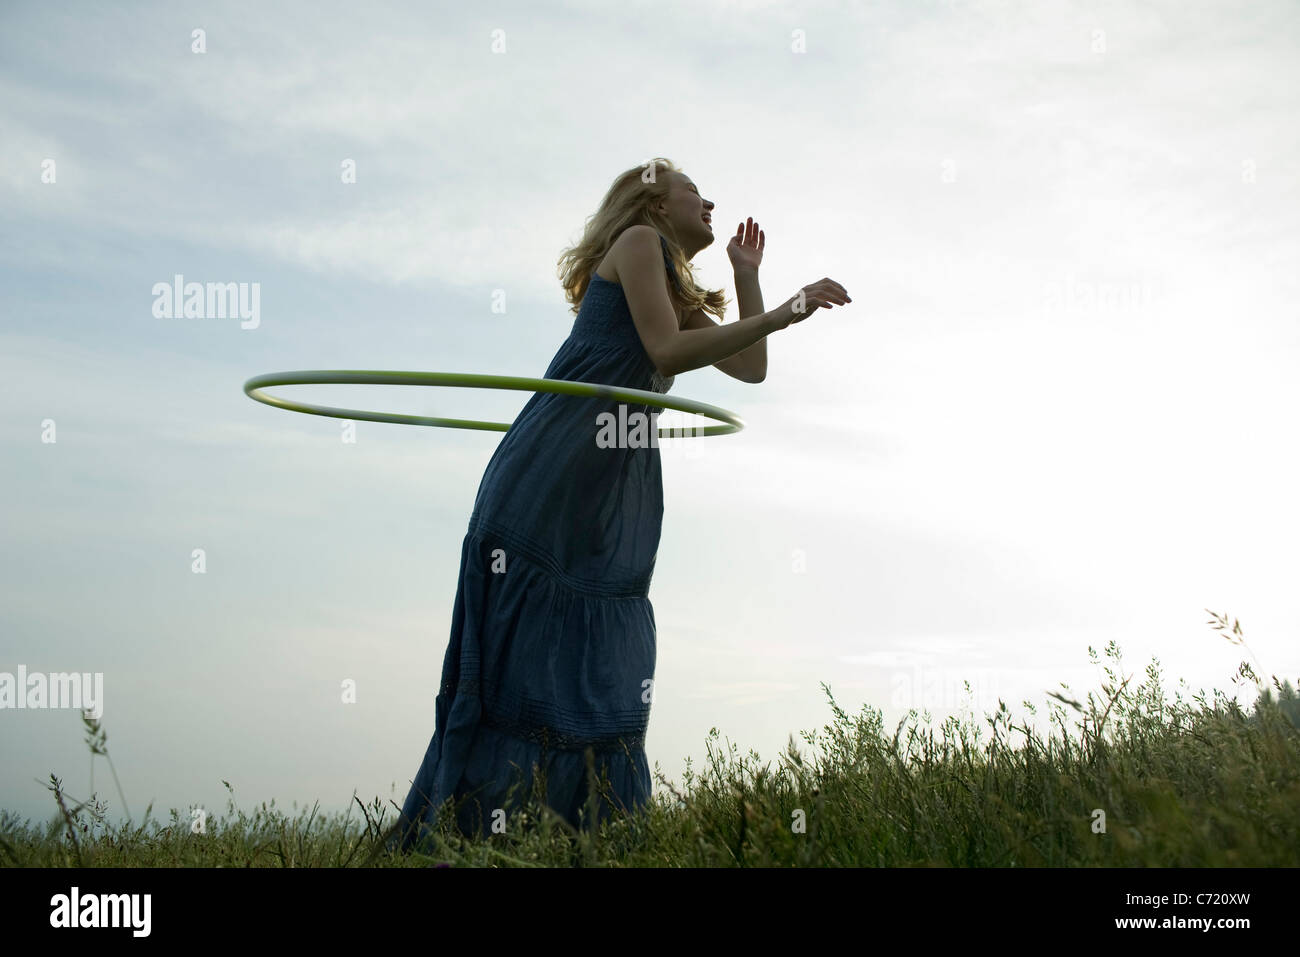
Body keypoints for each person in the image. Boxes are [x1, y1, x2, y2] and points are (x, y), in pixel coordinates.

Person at [388, 157, 850, 852]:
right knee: (525, 667)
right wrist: (789, 309)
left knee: (603, 652)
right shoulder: (638, 244)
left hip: (606, 494)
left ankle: (576, 839)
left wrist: (750, 279)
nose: (710, 199)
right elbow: (666, 348)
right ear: (655, 203)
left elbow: (749, 367)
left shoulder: (671, 279)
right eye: (695, 190)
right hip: (550, 473)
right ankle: (474, 838)